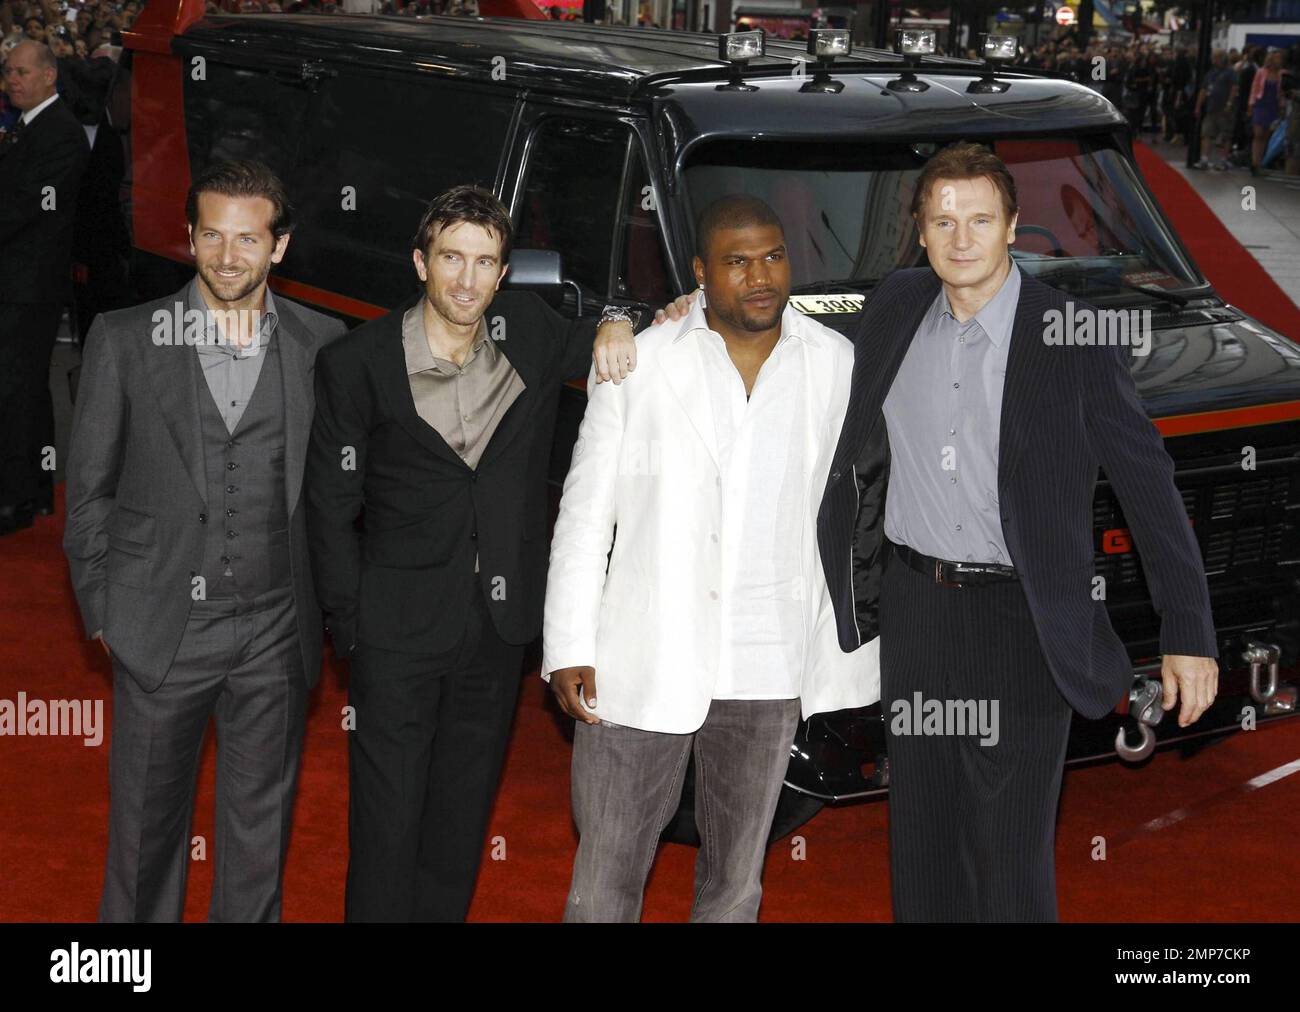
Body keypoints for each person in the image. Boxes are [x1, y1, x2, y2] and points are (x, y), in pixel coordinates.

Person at [813, 142, 1218, 921]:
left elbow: (1148, 484)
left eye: (980, 220)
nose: (961, 239)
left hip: (1024, 623)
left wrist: (1189, 630)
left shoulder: (1072, 334)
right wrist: (662, 318)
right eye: (943, 222)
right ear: (919, 232)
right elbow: (788, 335)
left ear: (1012, 226)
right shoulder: (894, 306)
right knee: (923, 847)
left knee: (1011, 857)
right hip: (918, 611)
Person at [304, 184, 636, 922]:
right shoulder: (357, 363)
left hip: (497, 629)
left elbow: (619, 331)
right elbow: (329, 507)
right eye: (451, 258)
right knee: (386, 824)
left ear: (503, 273)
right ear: (420, 262)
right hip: (395, 631)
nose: (466, 279)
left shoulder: (531, 331)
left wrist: (617, 320)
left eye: (484, 263)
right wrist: (352, 625)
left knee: (459, 820)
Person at [544, 196, 877, 922]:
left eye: (773, 256)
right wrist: (568, 643)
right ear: (700, 272)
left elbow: (857, 509)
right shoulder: (638, 360)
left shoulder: (835, 363)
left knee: (735, 888)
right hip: (641, 658)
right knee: (603, 883)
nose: (760, 277)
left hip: (769, 663)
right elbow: (585, 514)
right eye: (737, 262)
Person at [64, 159, 348, 921]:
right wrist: (107, 612)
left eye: (248, 239)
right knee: (144, 842)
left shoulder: (322, 345)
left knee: (259, 842)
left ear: (278, 246)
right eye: (212, 235)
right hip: (161, 626)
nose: (228, 256)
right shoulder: (125, 339)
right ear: (189, 237)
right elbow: (86, 496)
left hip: (275, 629)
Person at [0, 39, 89, 535]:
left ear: (49, 75)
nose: (11, 81)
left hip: (28, 284)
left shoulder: (60, 133)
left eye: (21, 72)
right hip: (20, 280)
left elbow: (31, 206)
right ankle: (34, 489)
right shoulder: (27, 127)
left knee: (14, 389)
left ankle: (13, 500)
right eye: (8, 72)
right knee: (27, 388)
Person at [1249, 49, 1284, 175]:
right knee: (1258, 133)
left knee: (1266, 135)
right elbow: (1254, 88)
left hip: (1273, 106)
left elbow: (1283, 92)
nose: (1277, 60)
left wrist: (1282, 107)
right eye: (1276, 57)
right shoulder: (1261, 72)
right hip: (1261, 103)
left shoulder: (1282, 74)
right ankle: (1254, 162)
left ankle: (1259, 163)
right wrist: (1251, 104)